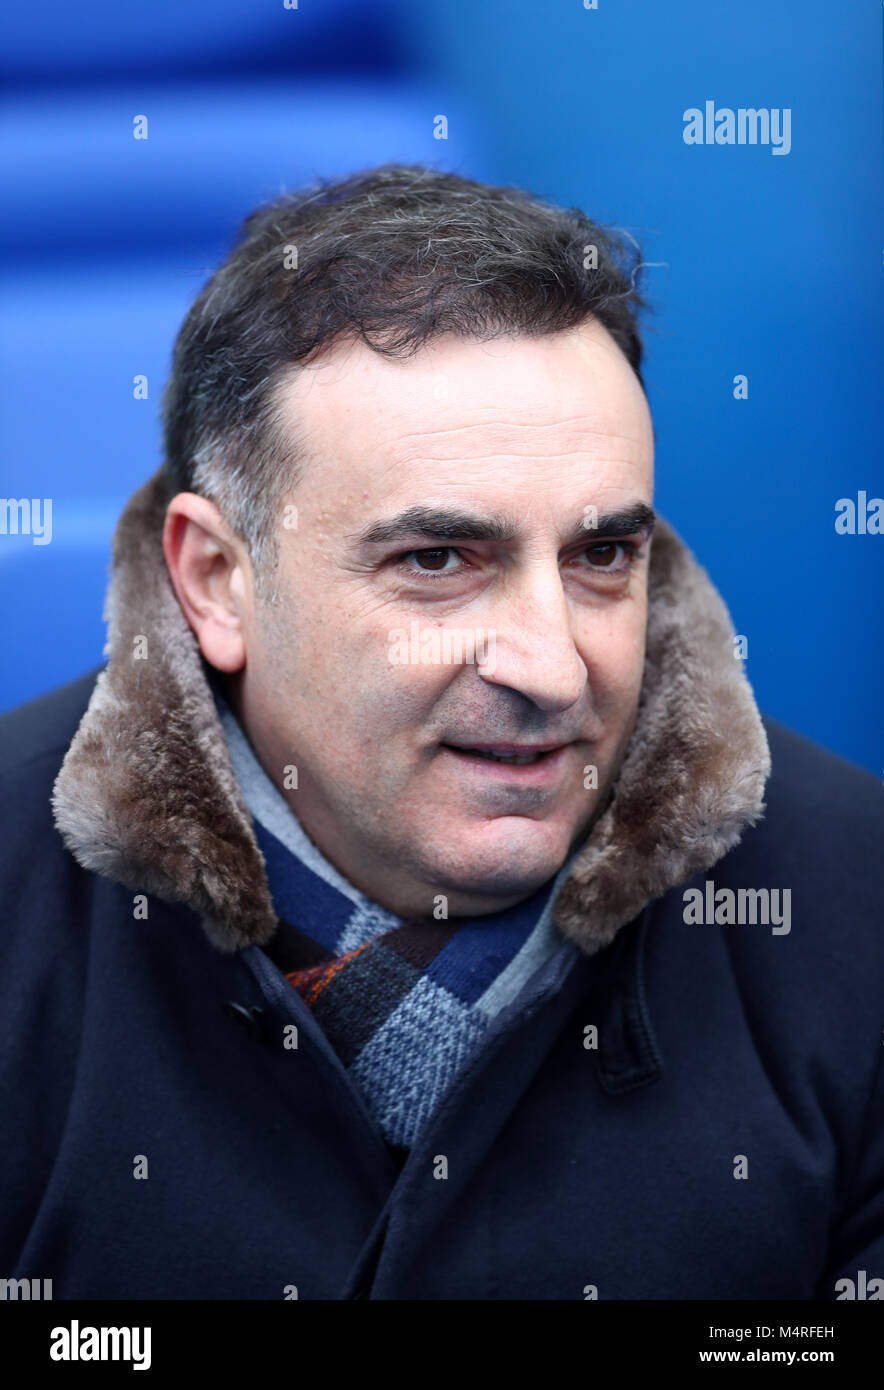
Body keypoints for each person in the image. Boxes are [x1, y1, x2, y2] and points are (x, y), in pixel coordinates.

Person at [1, 164, 881, 1301]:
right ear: (216, 581)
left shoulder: (858, 917)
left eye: (599, 556)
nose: (552, 664)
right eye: (436, 562)